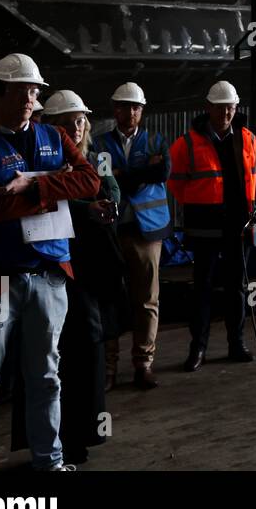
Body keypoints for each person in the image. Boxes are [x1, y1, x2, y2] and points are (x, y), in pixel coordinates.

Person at [0, 53, 100, 471]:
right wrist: (51, 191)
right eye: (19, 93)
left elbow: (90, 180)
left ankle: (49, 463)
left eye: (34, 93)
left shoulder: (54, 135)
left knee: (46, 378)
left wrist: (33, 185)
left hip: (49, 276)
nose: (29, 101)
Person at [22, 90, 121, 465]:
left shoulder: (97, 160)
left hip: (88, 268)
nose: (76, 127)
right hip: (52, 264)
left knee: (86, 345)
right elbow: (39, 201)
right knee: (52, 351)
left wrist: (74, 195)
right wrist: (77, 200)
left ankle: (80, 433)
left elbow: (108, 191)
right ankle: (52, 439)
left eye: (80, 120)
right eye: (67, 122)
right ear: (52, 128)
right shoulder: (36, 163)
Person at [168, 80, 256, 372]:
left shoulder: (247, 139)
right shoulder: (187, 143)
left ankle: (237, 343)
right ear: (209, 109)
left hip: (238, 226)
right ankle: (199, 349)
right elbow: (176, 183)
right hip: (204, 228)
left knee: (236, 288)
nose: (225, 114)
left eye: (230, 108)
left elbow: (255, 176)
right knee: (202, 289)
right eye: (220, 109)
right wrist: (202, 204)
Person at [100, 82, 171, 389]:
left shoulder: (156, 140)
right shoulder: (99, 143)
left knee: (146, 300)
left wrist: (123, 176)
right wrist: (141, 173)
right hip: (111, 231)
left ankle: (144, 363)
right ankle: (108, 368)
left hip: (147, 230)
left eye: (136, 107)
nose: (130, 112)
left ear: (141, 111)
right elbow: (101, 179)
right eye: (124, 106)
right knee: (110, 300)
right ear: (114, 109)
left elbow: (161, 173)